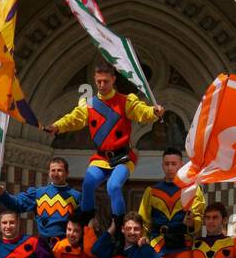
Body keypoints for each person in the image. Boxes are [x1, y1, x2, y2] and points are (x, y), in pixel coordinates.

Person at [45, 59, 165, 220]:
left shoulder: (126, 100)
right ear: (94, 79)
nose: (102, 85)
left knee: (113, 186)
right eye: (98, 81)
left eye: (105, 81)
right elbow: (74, 118)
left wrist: (154, 112)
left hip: (123, 157)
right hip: (101, 158)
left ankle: (119, 223)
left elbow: (141, 111)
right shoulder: (89, 104)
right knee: (88, 184)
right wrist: (57, 126)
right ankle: (87, 220)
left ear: (113, 80)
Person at [138, 147, 205, 258]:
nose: (170, 167)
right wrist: (143, 235)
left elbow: (198, 217)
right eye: (167, 164)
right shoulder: (151, 191)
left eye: (174, 164)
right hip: (158, 244)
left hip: (182, 244)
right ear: (162, 165)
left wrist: (191, 223)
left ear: (181, 165)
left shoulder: (191, 190)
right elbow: (143, 218)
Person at [0, 156, 80, 248]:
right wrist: (3, 195)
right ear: (49, 173)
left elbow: (83, 222)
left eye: (59, 170)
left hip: (67, 245)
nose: (56, 173)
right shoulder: (38, 193)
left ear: (67, 173)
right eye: (53, 170)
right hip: (44, 245)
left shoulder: (76, 196)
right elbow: (18, 204)